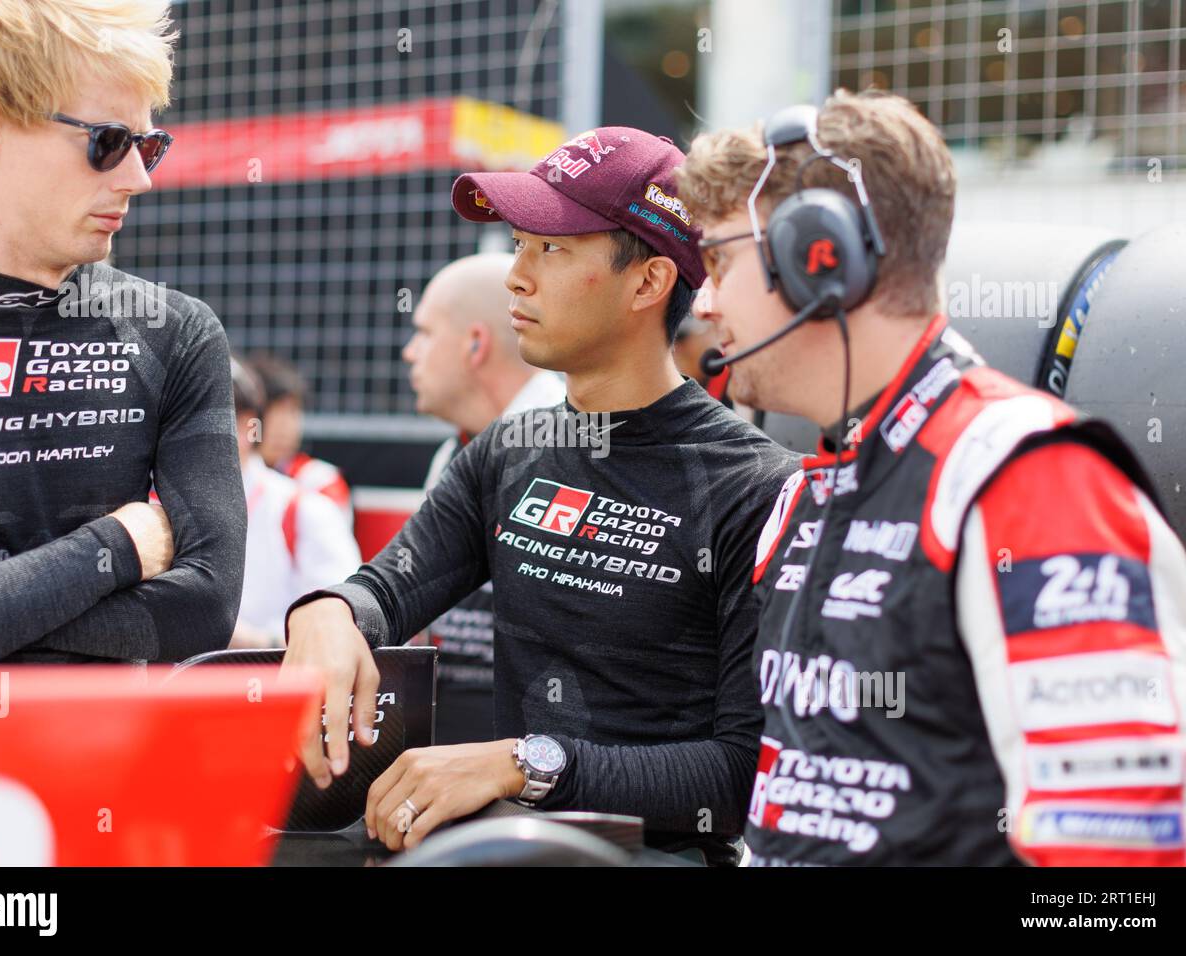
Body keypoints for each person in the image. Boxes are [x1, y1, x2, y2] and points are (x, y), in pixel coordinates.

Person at [674, 89, 1186, 866]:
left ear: (820, 257)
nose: (706, 302)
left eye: (719, 260)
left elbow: (1120, 871)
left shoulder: (1030, 482)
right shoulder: (806, 495)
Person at [283, 127, 799, 856]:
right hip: (509, 850)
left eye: (551, 249)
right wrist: (331, 612)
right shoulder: (508, 451)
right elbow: (389, 588)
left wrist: (520, 763)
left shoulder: (757, 487)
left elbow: (743, 775)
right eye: (520, 244)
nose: (517, 277)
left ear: (648, 283)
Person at [0, 0, 245, 663]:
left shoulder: (175, 333)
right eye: (108, 141)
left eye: (149, 145)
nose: (139, 178)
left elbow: (202, 611)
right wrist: (116, 548)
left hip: (106, 757)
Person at [401, 252, 566, 744]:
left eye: (425, 333)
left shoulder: (570, 445)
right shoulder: (456, 449)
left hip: (546, 766)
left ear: (476, 343)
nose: (410, 352)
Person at [230, 357, 360, 649]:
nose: (286, 426)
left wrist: (254, 642)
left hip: (277, 687)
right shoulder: (149, 505)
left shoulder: (307, 502)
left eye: (294, 412)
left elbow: (344, 623)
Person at [248, 353, 354, 526]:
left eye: (292, 412)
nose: (284, 427)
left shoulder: (320, 481)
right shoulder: (227, 481)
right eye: (272, 413)